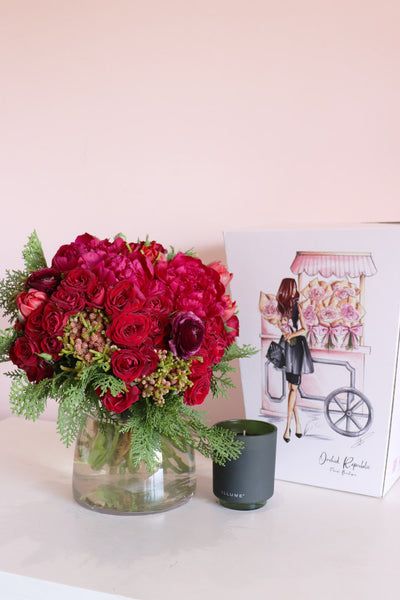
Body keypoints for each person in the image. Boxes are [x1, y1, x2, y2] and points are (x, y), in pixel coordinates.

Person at [275, 278, 314, 442]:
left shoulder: (297, 306)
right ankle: (297, 424)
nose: (293, 291)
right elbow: (279, 324)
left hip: (296, 347)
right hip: (286, 348)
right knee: (292, 388)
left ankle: (287, 428)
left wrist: (291, 334)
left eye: (294, 288)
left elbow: (304, 329)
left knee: (293, 389)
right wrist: (283, 330)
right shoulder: (281, 307)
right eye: (292, 288)